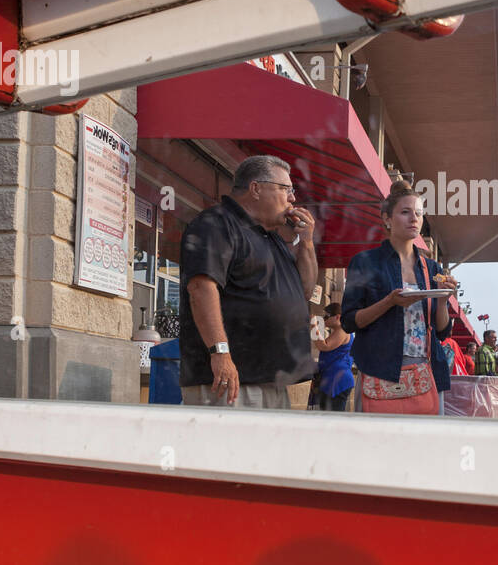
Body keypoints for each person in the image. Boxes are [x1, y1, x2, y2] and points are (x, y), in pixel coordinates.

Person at [179, 155, 316, 408]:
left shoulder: (271, 237)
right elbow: (201, 287)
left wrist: (306, 242)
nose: (293, 198)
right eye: (286, 189)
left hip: (271, 381)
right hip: (229, 381)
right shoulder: (217, 223)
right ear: (256, 188)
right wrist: (220, 353)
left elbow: (304, 291)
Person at [341, 180, 458, 414]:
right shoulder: (365, 262)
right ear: (387, 218)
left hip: (425, 371)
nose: (414, 219)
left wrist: (445, 298)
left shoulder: (432, 268)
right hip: (379, 370)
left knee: (424, 447)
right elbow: (349, 321)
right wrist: (389, 302)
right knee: (376, 446)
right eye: (405, 212)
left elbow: (442, 331)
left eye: (418, 213)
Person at [312, 303, 355, 412]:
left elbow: (324, 346)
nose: (324, 319)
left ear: (338, 317)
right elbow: (321, 344)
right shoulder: (339, 331)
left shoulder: (343, 330)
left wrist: (313, 326)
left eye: (327, 316)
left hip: (338, 381)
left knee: (333, 420)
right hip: (333, 380)